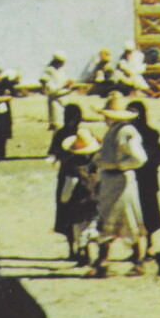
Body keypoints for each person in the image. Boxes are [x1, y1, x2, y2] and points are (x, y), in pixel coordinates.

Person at [90, 93, 148, 276]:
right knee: (108, 218)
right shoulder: (114, 131)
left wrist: (120, 166)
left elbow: (139, 158)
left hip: (122, 181)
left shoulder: (126, 132)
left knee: (128, 218)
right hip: (111, 180)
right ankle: (103, 262)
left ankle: (138, 262)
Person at [48, 103, 93, 259]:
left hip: (66, 177)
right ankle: (82, 250)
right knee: (83, 215)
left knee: (67, 213)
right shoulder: (85, 134)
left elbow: (54, 154)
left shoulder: (61, 134)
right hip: (83, 180)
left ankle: (73, 250)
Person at [127, 97, 160, 242]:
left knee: (149, 213)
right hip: (132, 178)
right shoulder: (126, 134)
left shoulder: (151, 134)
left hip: (147, 179)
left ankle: (149, 245)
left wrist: (147, 164)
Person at [39, 54, 70, 130]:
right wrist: (63, 85)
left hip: (64, 99)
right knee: (57, 126)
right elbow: (51, 89)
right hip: (55, 101)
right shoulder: (49, 71)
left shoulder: (61, 70)